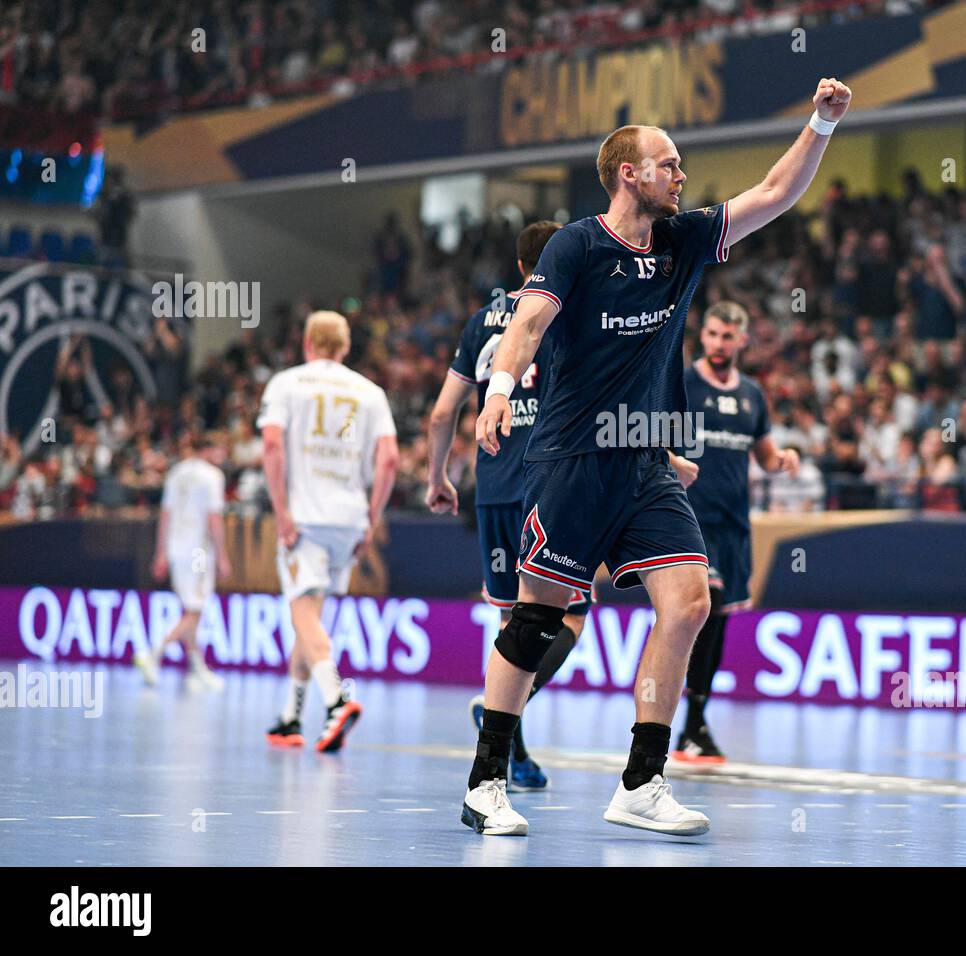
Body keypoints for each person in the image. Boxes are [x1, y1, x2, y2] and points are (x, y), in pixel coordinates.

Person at [463, 77, 853, 837]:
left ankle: (641, 782)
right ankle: (484, 781)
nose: (681, 173)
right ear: (627, 174)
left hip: (644, 463)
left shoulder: (681, 240)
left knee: (690, 605)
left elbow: (775, 192)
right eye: (668, 163)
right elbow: (532, 320)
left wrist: (820, 123)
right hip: (574, 456)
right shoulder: (576, 244)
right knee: (537, 618)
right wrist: (499, 386)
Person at [426, 220, 589, 790]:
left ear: (520, 267)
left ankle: (508, 750)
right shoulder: (574, 309)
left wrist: (438, 477)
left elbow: (442, 413)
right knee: (566, 615)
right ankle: (502, 713)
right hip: (553, 485)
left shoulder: (480, 322)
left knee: (511, 620)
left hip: (493, 488)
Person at [258, 311, 399, 752]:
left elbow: (272, 445)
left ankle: (336, 699)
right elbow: (390, 459)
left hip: (305, 516)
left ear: (306, 343)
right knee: (312, 615)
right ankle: (290, 717)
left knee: (301, 611)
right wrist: (371, 519)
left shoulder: (286, 383)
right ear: (344, 346)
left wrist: (281, 512)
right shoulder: (370, 392)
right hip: (349, 517)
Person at [676, 301, 798, 762]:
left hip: (733, 524)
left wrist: (784, 459)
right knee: (700, 612)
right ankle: (682, 724)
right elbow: (653, 437)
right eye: (712, 334)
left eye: (728, 336)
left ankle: (695, 723)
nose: (719, 344)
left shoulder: (751, 395)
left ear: (742, 340)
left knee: (719, 619)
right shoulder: (683, 383)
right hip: (689, 519)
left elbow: (764, 456)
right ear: (702, 336)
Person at [136, 432, 231, 690]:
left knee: (190, 609)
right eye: (221, 449)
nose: (223, 456)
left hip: (177, 549)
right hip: (199, 551)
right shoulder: (213, 476)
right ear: (209, 449)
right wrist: (222, 555)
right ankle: (154, 653)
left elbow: (165, 515)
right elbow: (214, 519)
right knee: (195, 610)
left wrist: (161, 552)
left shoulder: (176, 473)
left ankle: (197, 668)